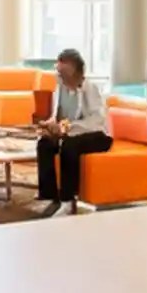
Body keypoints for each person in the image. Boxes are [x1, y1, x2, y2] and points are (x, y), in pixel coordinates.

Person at [34, 49, 108, 218]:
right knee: (44, 143)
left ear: (77, 73)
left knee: (69, 147)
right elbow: (58, 115)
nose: (61, 77)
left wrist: (68, 128)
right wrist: (50, 125)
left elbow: (97, 120)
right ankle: (49, 196)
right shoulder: (60, 87)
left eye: (64, 73)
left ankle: (68, 200)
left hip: (96, 135)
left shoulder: (90, 89)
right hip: (69, 132)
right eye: (59, 73)